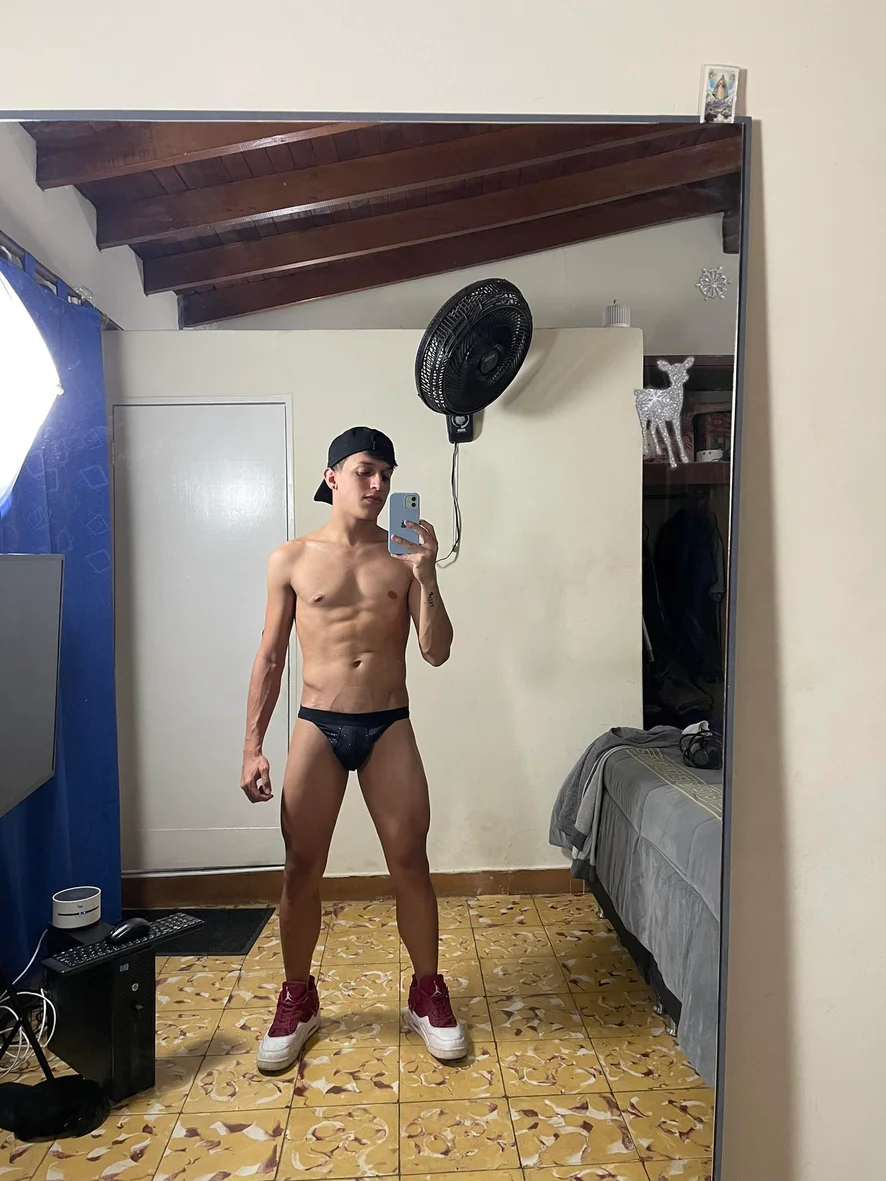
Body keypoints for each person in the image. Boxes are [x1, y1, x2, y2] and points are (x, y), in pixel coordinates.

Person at [240, 426, 467, 1073]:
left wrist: (427, 575)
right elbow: (271, 656)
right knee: (300, 868)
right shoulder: (291, 558)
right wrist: (252, 746)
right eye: (366, 470)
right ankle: (298, 997)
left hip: (387, 723)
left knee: (411, 861)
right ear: (332, 476)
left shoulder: (403, 555)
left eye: (386, 475)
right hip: (319, 723)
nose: (378, 484)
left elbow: (436, 650)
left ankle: (426, 993)